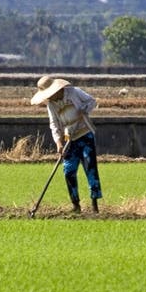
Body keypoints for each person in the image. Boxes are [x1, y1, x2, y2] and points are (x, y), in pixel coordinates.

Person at [30, 76, 102, 213]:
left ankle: (94, 206)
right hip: (70, 138)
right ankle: (76, 205)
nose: (51, 97)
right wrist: (58, 142)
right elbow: (54, 124)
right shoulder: (51, 104)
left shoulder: (74, 92)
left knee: (90, 169)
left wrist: (84, 110)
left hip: (85, 134)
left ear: (57, 89)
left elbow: (92, 101)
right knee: (68, 171)